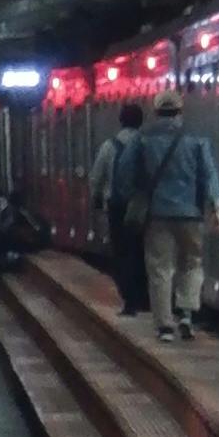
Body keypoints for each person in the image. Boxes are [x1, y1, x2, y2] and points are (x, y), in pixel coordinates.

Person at [137, 92, 219, 337]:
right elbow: (209, 174)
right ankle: (186, 314)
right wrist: (216, 205)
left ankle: (165, 325)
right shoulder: (196, 139)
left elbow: (129, 174)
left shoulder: (144, 139)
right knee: (191, 263)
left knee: (160, 268)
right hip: (191, 213)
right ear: (180, 111)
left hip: (157, 214)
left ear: (156, 112)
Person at [86, 97, 154, 315]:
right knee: (143, 251)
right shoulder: (147, 144)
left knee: (121, 253)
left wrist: (95, 197)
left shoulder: (109, 146)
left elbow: (96, 177)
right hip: (143, 208)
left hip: (117, 207)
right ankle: (146, 298)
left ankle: (129, 299)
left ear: (121, 121)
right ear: (141, 122)